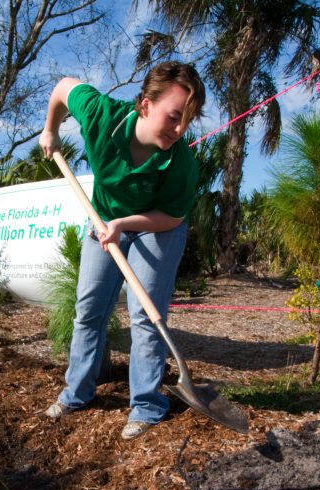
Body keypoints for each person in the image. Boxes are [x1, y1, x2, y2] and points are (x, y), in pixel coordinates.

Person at [38, 62, 206, 440]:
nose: (179, 130)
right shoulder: (101, 115)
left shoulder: (180, 162)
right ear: (145, 105)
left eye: (187, 121)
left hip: (156, 228)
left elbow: (172, 217)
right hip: (103, 220)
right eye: (174, 117)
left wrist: (124, 225)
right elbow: (65, 84)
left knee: (144, 312)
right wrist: (50, 130)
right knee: (89, 308)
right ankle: (76, 393)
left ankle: (147, 404)